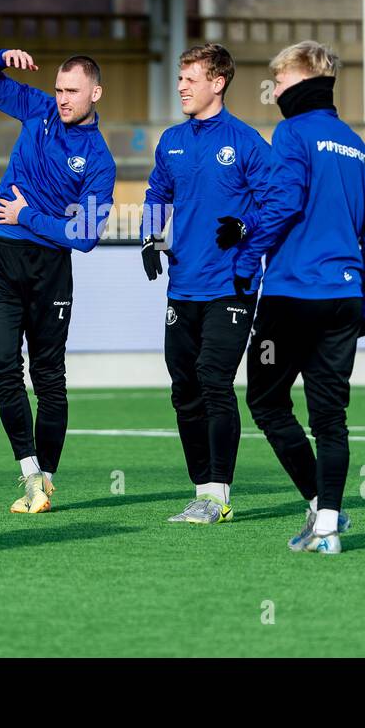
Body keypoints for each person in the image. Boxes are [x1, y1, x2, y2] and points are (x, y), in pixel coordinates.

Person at [234, 41, 365, 554]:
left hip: (291, 298)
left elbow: (281, 205)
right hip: (343, 299)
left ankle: (320, 503)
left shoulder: (292, 133)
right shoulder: (356, 146)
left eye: (278, 81)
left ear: (301, 81)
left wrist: (245, 261)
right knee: (330, 419)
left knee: (265, 400)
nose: (274, 90)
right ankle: (326, 526)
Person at [0, 47, 116, 514]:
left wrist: (27, 215)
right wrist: (0, 57)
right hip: (1, 256)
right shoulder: (38, 109)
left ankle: (45, 480)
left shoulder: (99, 159)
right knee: (4, 367)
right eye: (57, 89)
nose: (62, 99)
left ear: (95, 93)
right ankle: (30, 472)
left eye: (72, 91)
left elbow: (85, 236)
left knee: (49, 376)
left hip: (50, 269)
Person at [141, 43, 270, 524]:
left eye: (190, 79)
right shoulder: (172, 140)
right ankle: (202, 492)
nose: (181, 87)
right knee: (184, 389)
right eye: (180, 79)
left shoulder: (247, 142)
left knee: (214, 380)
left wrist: (246, 226)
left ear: (217, 83)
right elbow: (157, 192)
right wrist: (150, 237)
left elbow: (278, 202)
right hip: (183, 285)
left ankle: (218, 494)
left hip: (232, 285)